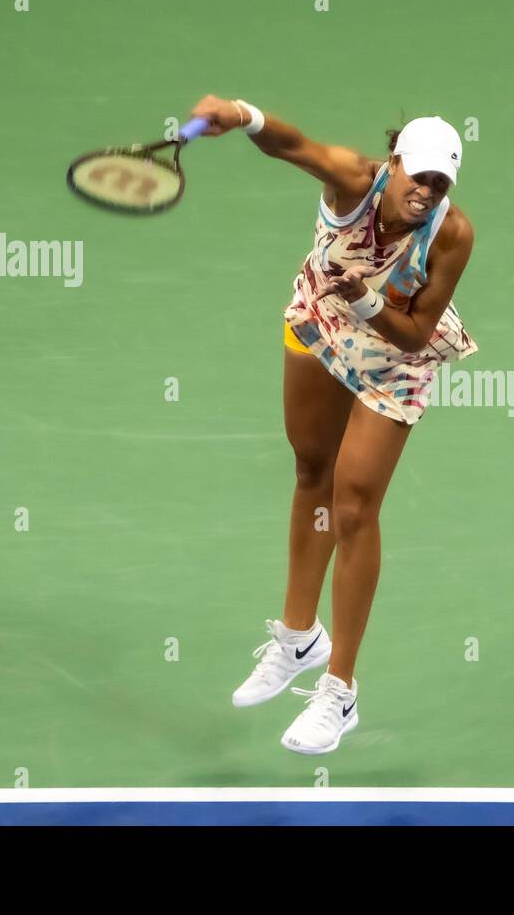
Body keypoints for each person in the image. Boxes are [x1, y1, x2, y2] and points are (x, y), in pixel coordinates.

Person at [186, 95, 478, 754]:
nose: (427, 193)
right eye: (419, 177)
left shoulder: (452, 234)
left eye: (440, 184)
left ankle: (339, 691)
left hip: (392, 353)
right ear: (395, 162)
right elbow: (293, 146)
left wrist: (369, 298)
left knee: (353, 508)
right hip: (322, 322)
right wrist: (242, 115)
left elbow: (412, 335)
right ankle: (298, 639)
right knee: (310, 469)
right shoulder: (353, 180)